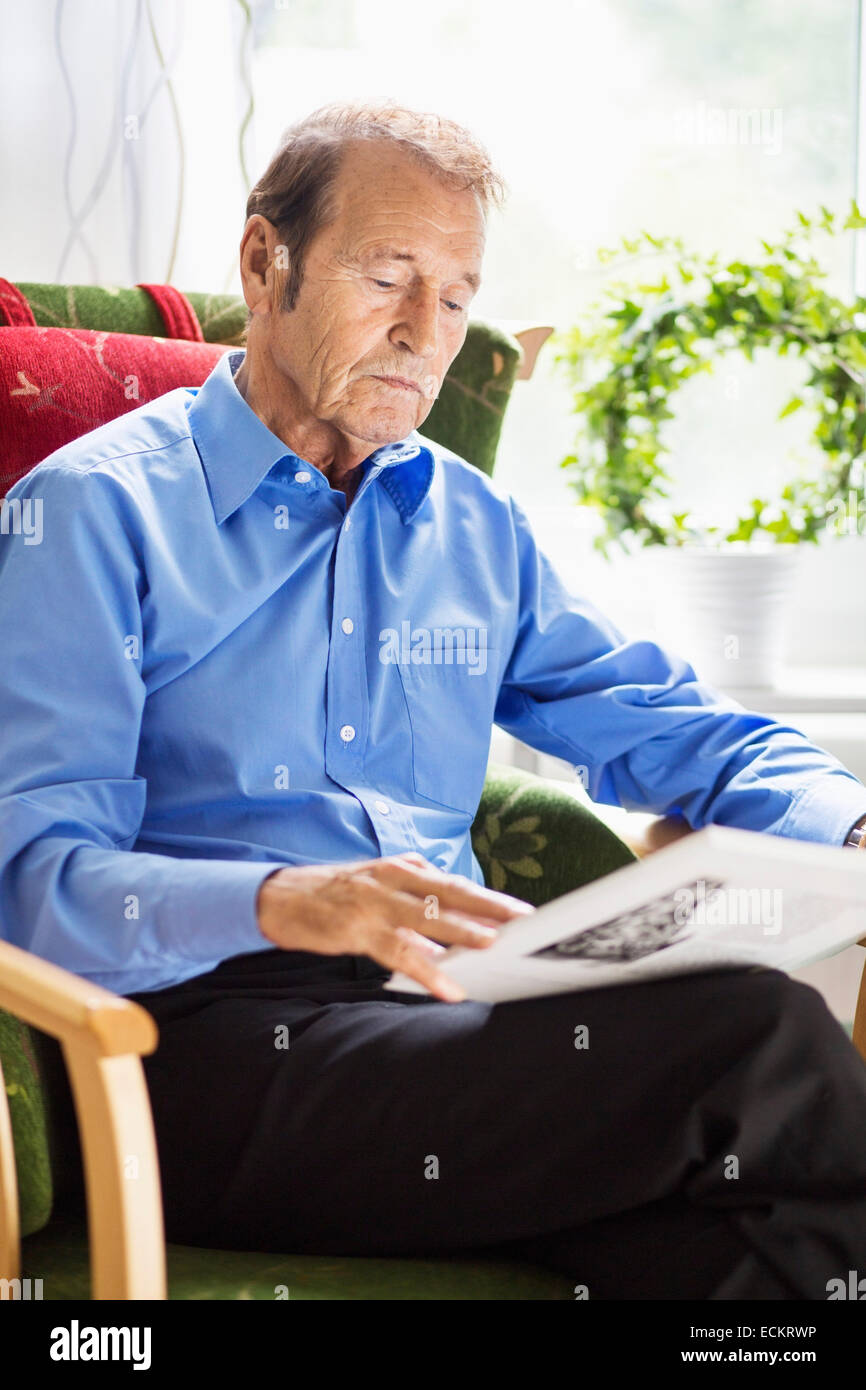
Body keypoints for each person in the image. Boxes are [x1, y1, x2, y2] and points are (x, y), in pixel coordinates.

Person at [2, 101, 866, 1300]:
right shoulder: (90, 517)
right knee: (759, 1034)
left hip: (443, 1028)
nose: (425, 332)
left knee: (743, 1249)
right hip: (195, 1056)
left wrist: (846, 825)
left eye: (457, 296)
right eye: (387, 276)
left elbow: (664, 721)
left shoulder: (469, 523)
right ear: (265, 263)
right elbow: (28, 882)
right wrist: (284, 901)